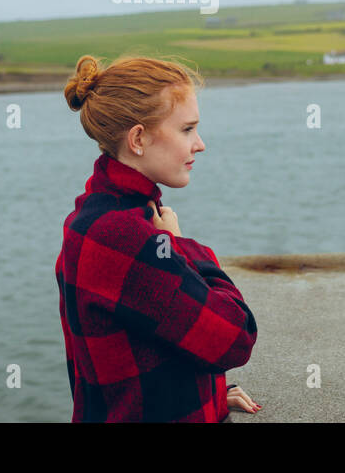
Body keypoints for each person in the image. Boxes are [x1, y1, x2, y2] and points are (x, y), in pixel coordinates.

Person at [55, 53, 261, 422]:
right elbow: (235, 339)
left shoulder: (88, 217)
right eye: (187, 130)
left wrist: (213, 393)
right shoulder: (128, 236)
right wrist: (182, 246)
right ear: (138, 138)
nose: (200, 144)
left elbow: (146, 341)